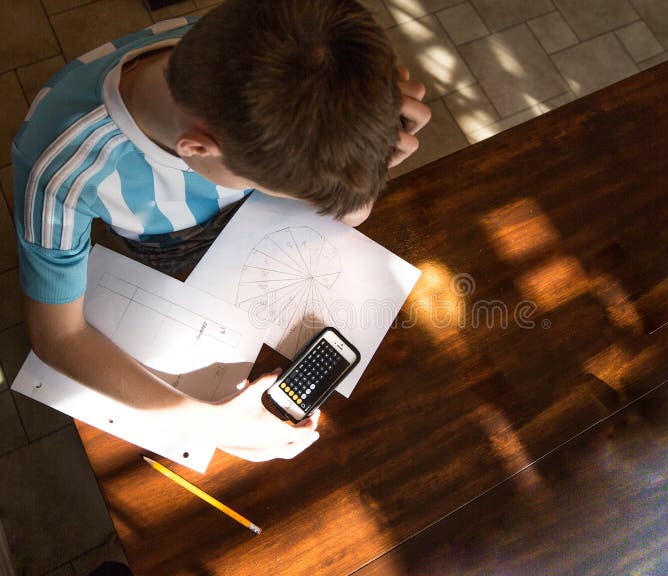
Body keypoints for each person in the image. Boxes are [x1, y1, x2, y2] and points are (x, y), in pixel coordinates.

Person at [11, 0, 430, 462]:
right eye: (263, 183)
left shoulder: (261, 36)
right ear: (196, 148)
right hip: (165, 246)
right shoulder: (61, 171)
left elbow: (348, 213)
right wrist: (209, 421)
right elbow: (57, 337)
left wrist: (362, 161)